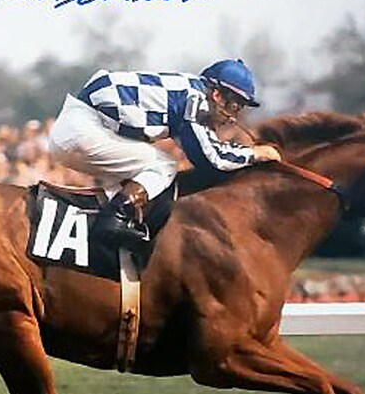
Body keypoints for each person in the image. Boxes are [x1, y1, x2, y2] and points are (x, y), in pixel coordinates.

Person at [47, 58, 281, 250]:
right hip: (82, 128)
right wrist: (256, 154)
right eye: (234, 106)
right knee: (164, 166)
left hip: (79, 125)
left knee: (141, 174)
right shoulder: (195, 100)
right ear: (217, 95)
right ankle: (113, 219)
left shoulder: (187, 96)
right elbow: (213, 159)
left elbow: (203, 147)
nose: (233, 116)